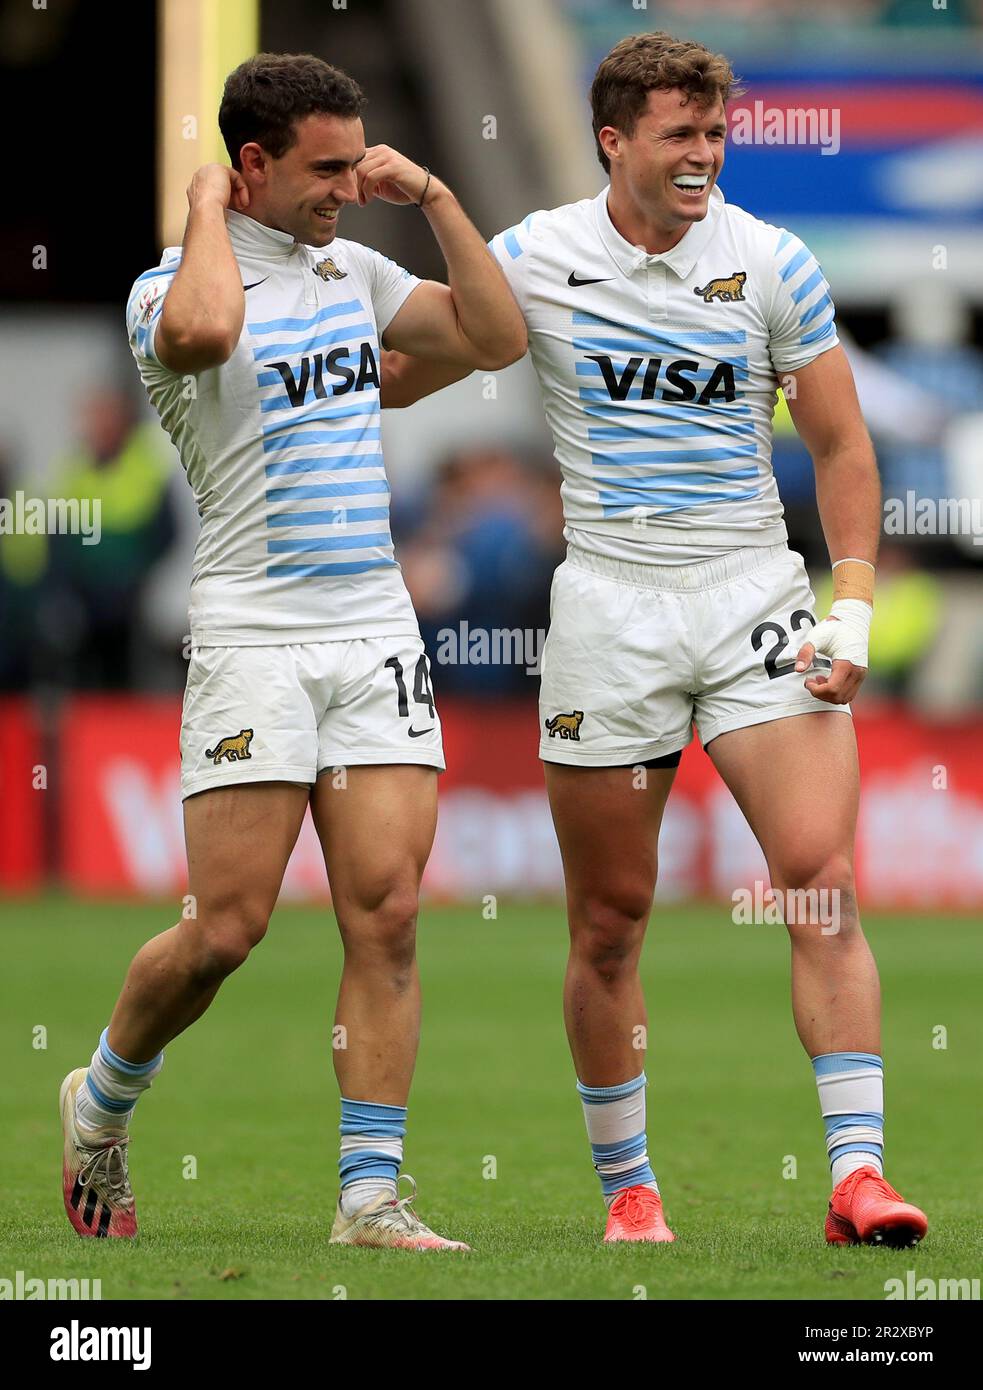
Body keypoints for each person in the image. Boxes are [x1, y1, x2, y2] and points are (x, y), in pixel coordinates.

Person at [381, 32, 928, 1247]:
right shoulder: (532, 257)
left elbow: (840, 443)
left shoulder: (771, 262)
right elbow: (404, 367)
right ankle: (630, 1189)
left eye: (714, 135)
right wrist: (298, 375)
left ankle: (856, 1176)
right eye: (679, 136)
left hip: (750, 597)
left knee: (820, 884)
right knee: (609, 923)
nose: (702, 158)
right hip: (609, 612)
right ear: (611, 140)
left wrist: (849, 600)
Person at [59, 51, 525, 1251]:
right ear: (251, 165)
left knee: (389, 912)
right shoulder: (164, 288)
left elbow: (493, 332)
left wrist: (430, 197)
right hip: (252, 635)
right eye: (323, 168)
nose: (343, 186)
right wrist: (205, 206)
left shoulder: (352, 268)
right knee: (227, 929)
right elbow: (210, 333)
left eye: (353, 160)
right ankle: (102, 1094)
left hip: (370, 628)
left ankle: (369, 1196)